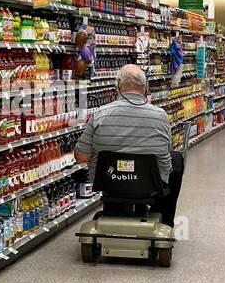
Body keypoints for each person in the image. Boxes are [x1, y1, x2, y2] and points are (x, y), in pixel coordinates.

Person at [74, 64, 183, 226]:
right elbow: (166, 152)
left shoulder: (99, 114)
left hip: (109, 182)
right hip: (151, 184)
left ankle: (113, 206)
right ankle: (164, 219)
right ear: (145, 87)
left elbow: (81, 157)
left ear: (117, 85)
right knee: (177, 159)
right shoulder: (160, 116)